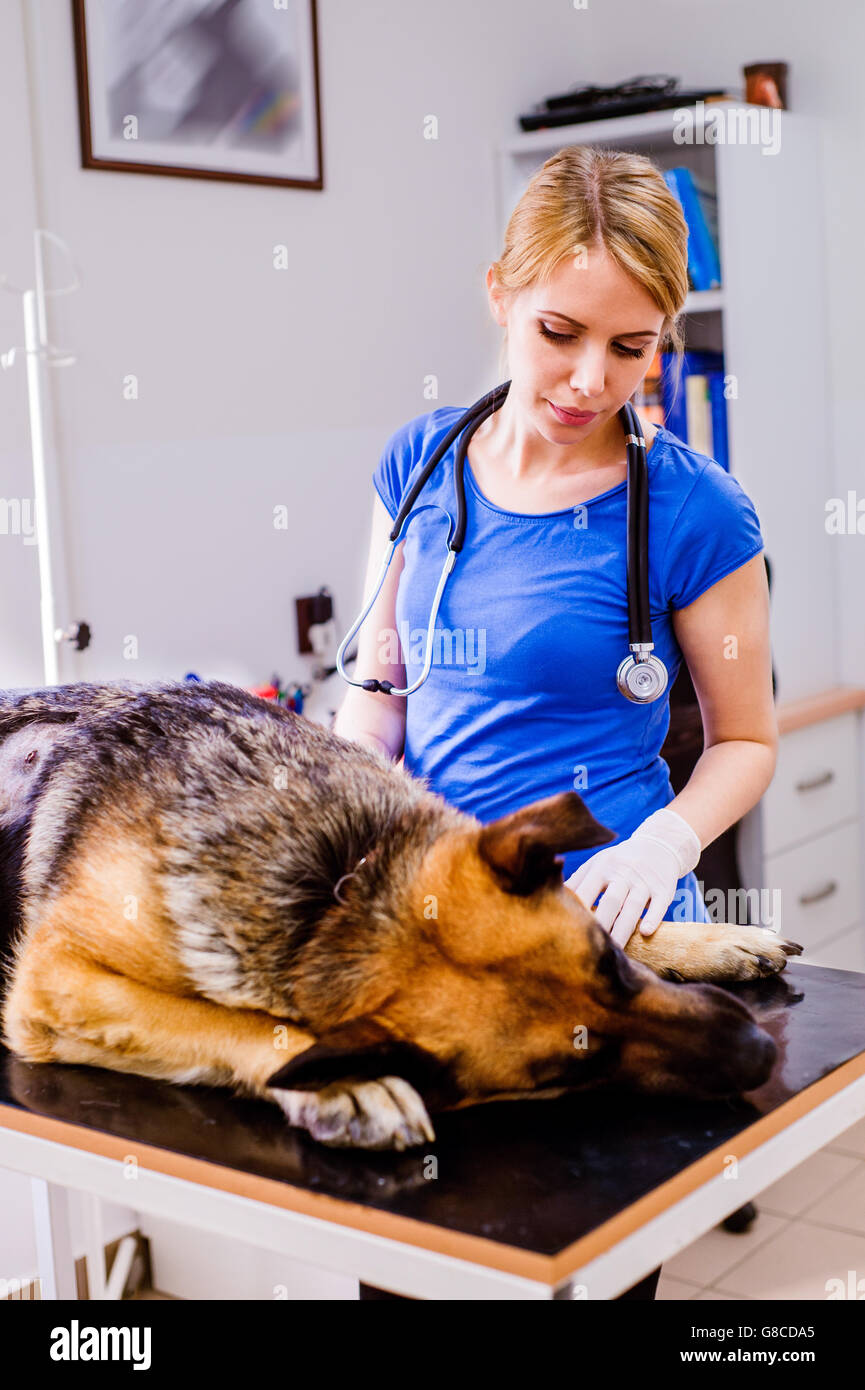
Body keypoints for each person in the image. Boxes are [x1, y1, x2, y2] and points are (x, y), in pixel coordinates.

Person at [334, 145, 777, 1301]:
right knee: (408, 1270)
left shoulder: (693, 508)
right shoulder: (417, 462)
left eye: (631, 348)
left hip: (603, 956)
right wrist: (338, 821)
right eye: (559, 332)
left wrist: (668, 842)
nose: (591, 377)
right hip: (433, 944)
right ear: (500, 293)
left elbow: (743, 740)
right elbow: (377, 694)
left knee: (582, 1267)